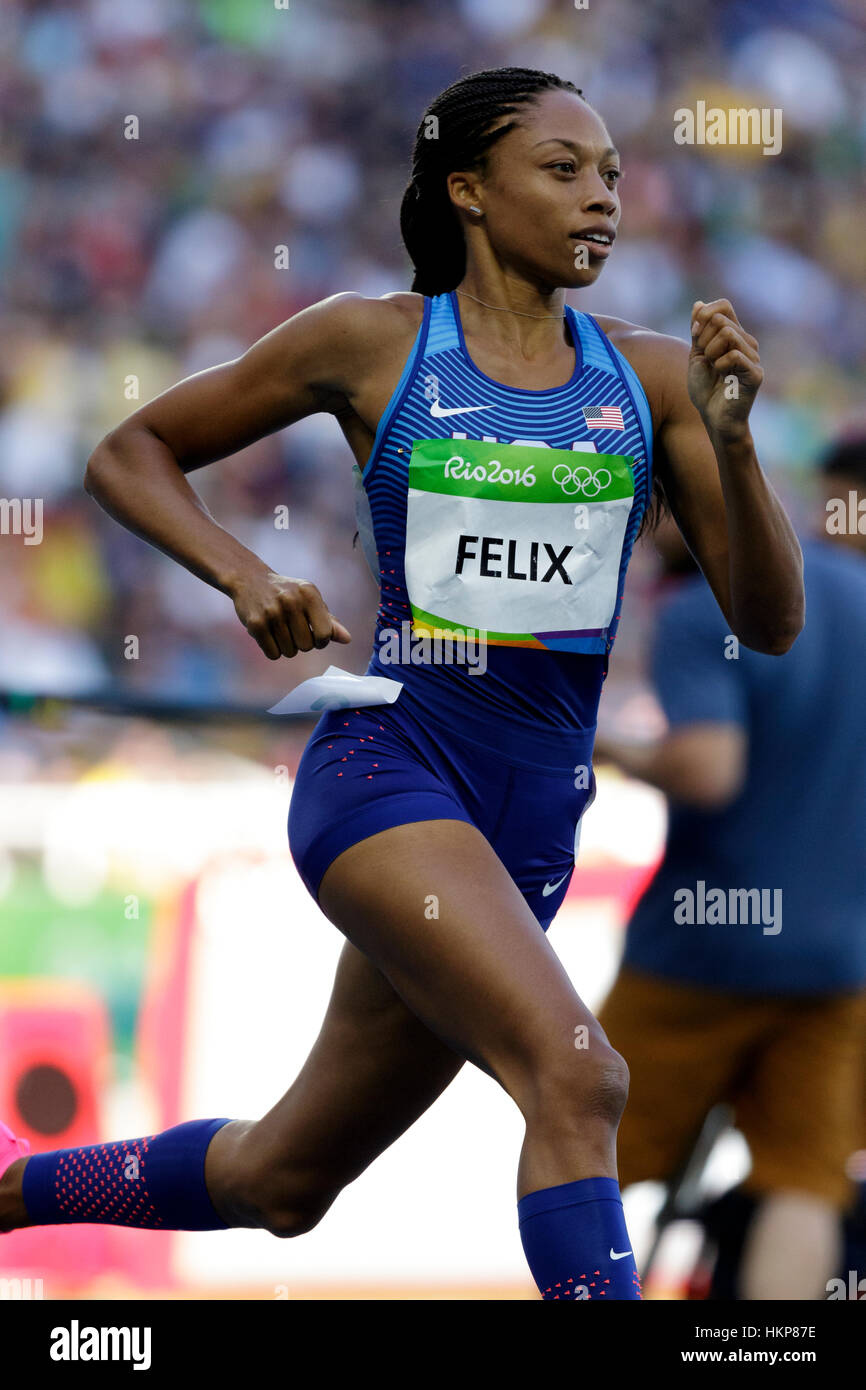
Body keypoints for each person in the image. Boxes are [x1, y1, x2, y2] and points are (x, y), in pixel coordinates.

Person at [0, 67, 803, 1302]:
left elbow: (771, 620)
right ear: (467, 190)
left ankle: (8, 1195)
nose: (600, 199)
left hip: (529, 828)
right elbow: (129, 452)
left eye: (612, 178)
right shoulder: (371, 343)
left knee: (285, 1180)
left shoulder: (650, 383)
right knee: (578, 1075)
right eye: (563, 169)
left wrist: (734, 445)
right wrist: (241, 570)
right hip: (390, 770)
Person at [594, 432, 866, 1300]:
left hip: (700, 951)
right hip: (838, 962)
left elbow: (710, 769)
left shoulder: (704, 605)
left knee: (581, 1155)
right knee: (804, 1180)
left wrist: (615, 751)